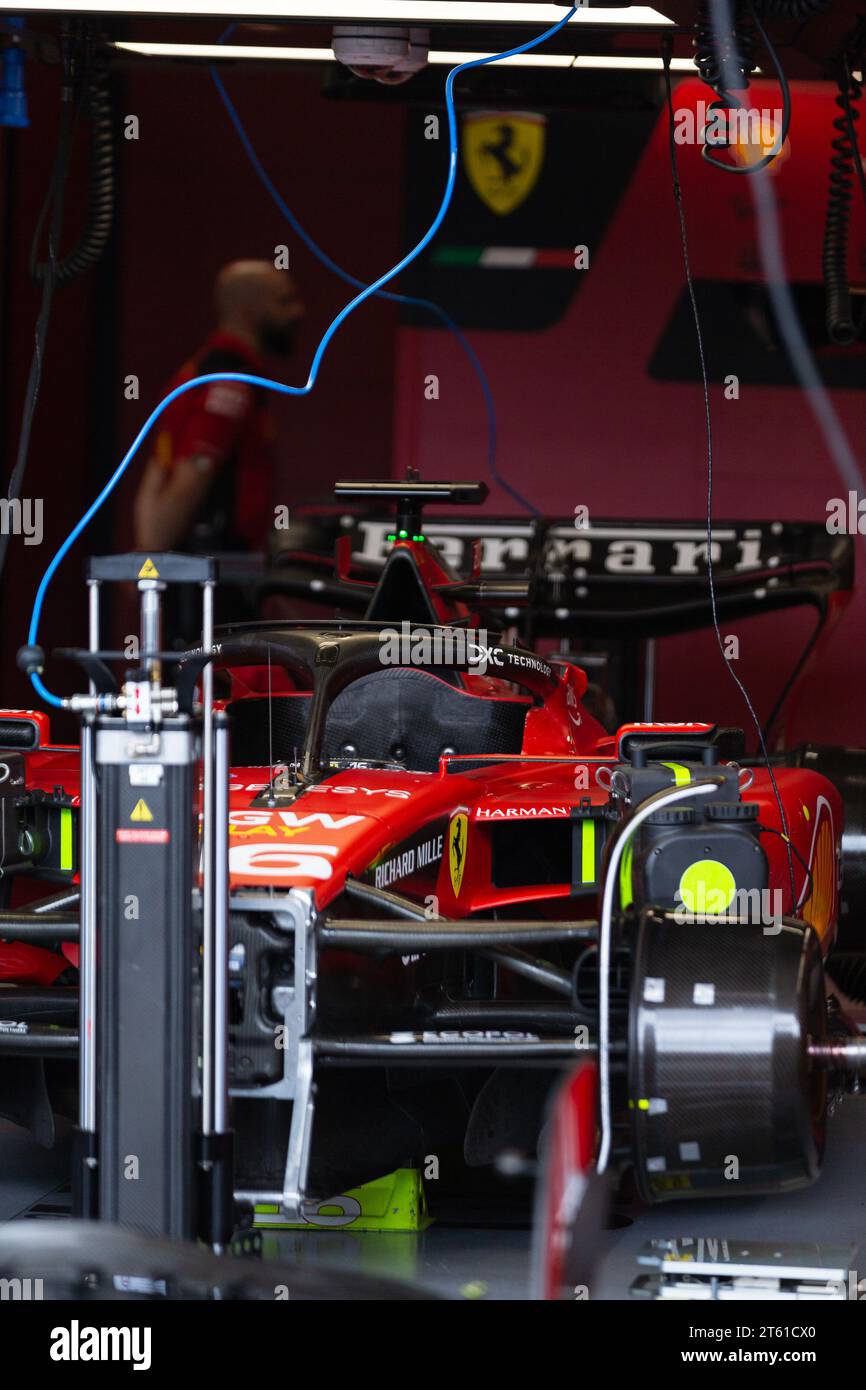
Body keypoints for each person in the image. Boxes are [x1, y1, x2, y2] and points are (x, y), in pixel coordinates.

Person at [133, 260, 304, 555]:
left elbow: (158, 469)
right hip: (210, 574)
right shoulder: (228, 381)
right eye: (284, 302)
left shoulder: (202, 370)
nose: (298, 312)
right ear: (249, 309)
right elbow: (195, 470)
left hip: (202, 568)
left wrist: (148, 545)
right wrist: (151, 552)